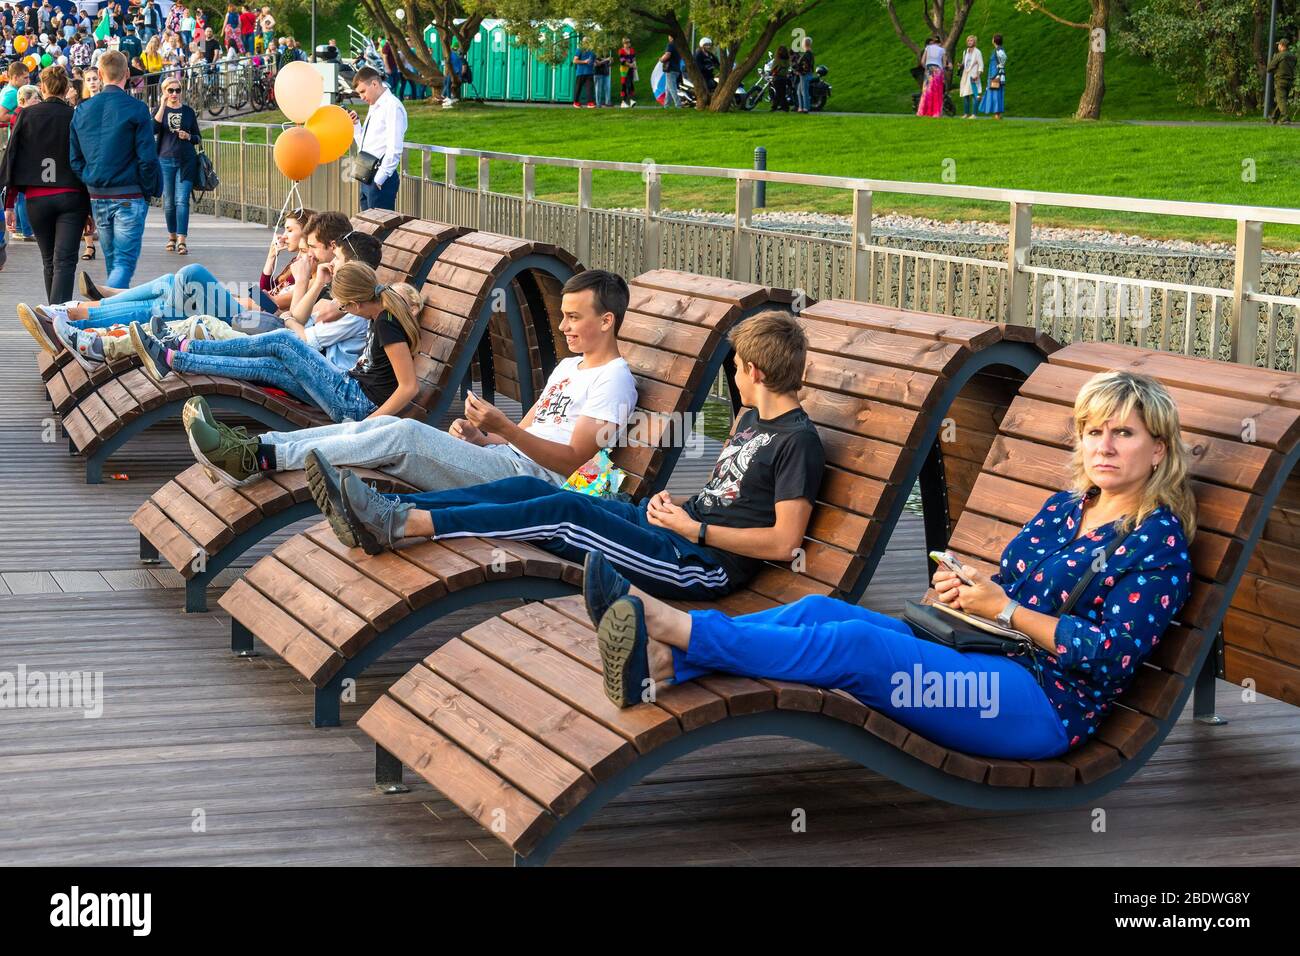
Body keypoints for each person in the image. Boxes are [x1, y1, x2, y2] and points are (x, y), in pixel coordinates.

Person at [589, 371, 1195, 767]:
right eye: (1094, 433)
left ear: (1158, 449)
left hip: (1040, 703)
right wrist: (967, 589)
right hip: (984, 650)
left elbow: (1111, 652)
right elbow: (1008, 583)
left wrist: (1006, 610)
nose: (1104, 447)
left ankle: (679, 629)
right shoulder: (1068, 507)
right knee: (818, 610)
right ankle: (666, 662)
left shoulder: (1158, 543)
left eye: (1124, 434)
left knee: (855, 646)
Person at [322, 312, 825, 610]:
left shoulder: (797, 442)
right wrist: (684, 508)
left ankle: (402, 522)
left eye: (736, 369)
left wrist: (697, 532)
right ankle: (387, 505)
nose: (734, 378)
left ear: (754, 371)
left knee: (565, 514)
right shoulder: (749, 422)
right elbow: (731, 498)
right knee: (539, 492)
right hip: (677, 530)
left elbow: (783, 543)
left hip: (700, 565)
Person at [178, 270, 640, 547]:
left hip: (541, 487)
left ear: (607, 321)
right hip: (506, 460)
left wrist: (505, 432)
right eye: (562, 315)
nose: (563, 325)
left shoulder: (614, 379)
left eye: (573, 317)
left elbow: (574, 460)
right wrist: (485, 433)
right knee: (380, 434)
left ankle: (257, 455)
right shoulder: (566, 368)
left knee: (399, 434)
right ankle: (256, 449)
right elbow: (522, 433)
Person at [130, 260, 421, 426]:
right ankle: (174, 359)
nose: (342, 310)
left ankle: (185, 347)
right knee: (269, 366)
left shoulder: (386, 323)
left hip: (355, 404)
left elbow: (409, 386)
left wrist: (368, 426)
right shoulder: (379, 314)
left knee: (283, 340)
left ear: (356, 303)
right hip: (347, 390)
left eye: (343, 306)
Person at [69, 49, 159, 287]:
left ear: (99, 74)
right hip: (129, 193)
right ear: (127, 73)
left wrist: (90, 178)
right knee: (123, 264)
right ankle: (103, 302)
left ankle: (113, 309)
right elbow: (147, 158)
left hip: (98, 193)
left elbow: (75, 158)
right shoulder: (137, 109)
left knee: (113, 261)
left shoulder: (82, 110)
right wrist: (148, 190)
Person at [0, 65, 88, 307]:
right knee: (65, 261)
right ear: (67, 88)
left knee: (49, 260)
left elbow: (12, 156)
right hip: (72, 195)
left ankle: (52, 318)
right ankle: (58, 319)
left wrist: (9, 204)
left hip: (37, 197)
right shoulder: (76, 115)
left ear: (43, 87)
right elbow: (86, 158)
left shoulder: (27, 115)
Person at [345, 66, 407, 211]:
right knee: (367, 229)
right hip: (367, 174)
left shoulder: (392, 106)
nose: (361, 97)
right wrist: (356, 125)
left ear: (374, 84)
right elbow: (367, 145)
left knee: (379, 231)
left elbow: (394, 148)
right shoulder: (375, 105)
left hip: (380, 177)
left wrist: (380, 179)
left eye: (362, 91)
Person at [154, 74, 199, 256]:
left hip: (186, 161)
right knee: (170, 203)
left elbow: (197, 137)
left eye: (177, 90)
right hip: (165, 160)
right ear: (164, 92)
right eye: (170, 90)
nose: (174, 94)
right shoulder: (160, 110)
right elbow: (153, 129)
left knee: (182, 201)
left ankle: (182, 240)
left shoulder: (188, 112)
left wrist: (188, 136)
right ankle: (171, 236)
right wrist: (163, 105)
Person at [915, 34, 947, 117]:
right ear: (940, 42)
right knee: (937, 91)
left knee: (926, 91)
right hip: (938, 70)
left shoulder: (928, 48)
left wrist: (926, 68)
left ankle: (922, 112)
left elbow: (922, 61)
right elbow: (944, 63)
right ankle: (936, 113)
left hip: (929, 70)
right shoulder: (942, 50)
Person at [1267, 37, 1295, 125]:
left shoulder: (1279, 55)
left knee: (1281, 99)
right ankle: (1274, 117)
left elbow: (1269, 68)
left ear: (1282, 45)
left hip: (1280, 81)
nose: (1278, 46)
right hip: (1290, 81)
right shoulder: (1293, 57)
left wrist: (1276, 70)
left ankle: (1285, 117)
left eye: (1279, 44)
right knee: (1281, 99)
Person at [978, 34, 1006, 119]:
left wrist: (994, 75)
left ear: (994, 41)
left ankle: (997, 114)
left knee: (995, 94)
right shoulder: (1000, 50)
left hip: (995, 75)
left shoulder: (998, 51)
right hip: (998, 75)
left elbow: (1000, 63)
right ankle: (997, 114)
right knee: (997, 94)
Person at [959, 34, 983, 119]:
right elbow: (964, 63)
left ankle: (974, 114)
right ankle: (966, 113)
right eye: (968, 40)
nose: (969, 42)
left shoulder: (978, 52)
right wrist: (961, 65)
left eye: (971, 40)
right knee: (965, 95)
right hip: (965, 75)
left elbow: (981, 65)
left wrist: (978, 75)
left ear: (975, 42)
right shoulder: (965, 51)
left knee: (974, 95)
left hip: (973, 76)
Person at [792, 36, 815, 113]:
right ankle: (800, 107)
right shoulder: (810, 53)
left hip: (805, 74)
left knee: (804, 91)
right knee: (799, 91)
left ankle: (805, 108)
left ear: (805, 44)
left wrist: (799, 71)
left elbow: (804, 65)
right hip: (806, 74)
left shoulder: (807, 54)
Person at [659, 37, 681, 108]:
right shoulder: (679, 45)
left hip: (670, 69)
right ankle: (666, 105)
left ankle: (678, 105)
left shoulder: (671, 44)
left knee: (672, 89)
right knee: (668, 88)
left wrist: (661, 59)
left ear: (670, 37)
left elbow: (667, 54)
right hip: (677, 69)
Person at [572, 42, 595, 109]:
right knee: (578, 88)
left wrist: (599, 62)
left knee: (590, 88)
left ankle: (590, 103)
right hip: (580, 72)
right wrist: (584, 61)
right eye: (586, 42)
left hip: (589, 72)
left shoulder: (592, 51)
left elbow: (594, 61)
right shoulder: (579, 50)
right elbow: (574, 61)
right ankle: (576, 103)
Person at [769, 45, 790, 111]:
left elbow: (773, 69)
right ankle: (784, 107)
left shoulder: (777, 60)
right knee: (782, 93)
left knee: (778, 93)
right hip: (784, 78)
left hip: (777, 78)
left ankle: (775, 107)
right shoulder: (787, 60)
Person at [617, 36, 635, 108]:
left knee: (630, 84)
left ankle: (630, 101)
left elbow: (634, 58)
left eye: (629, 42)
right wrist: (630, 64)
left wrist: (633, 65)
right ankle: (624, 102)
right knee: (625, 84)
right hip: (624, 70)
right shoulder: (621, 51)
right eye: (626, 42)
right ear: (623, 43)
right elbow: (622, 60)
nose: (628, 44)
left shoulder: (632, 50)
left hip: (631, 69)